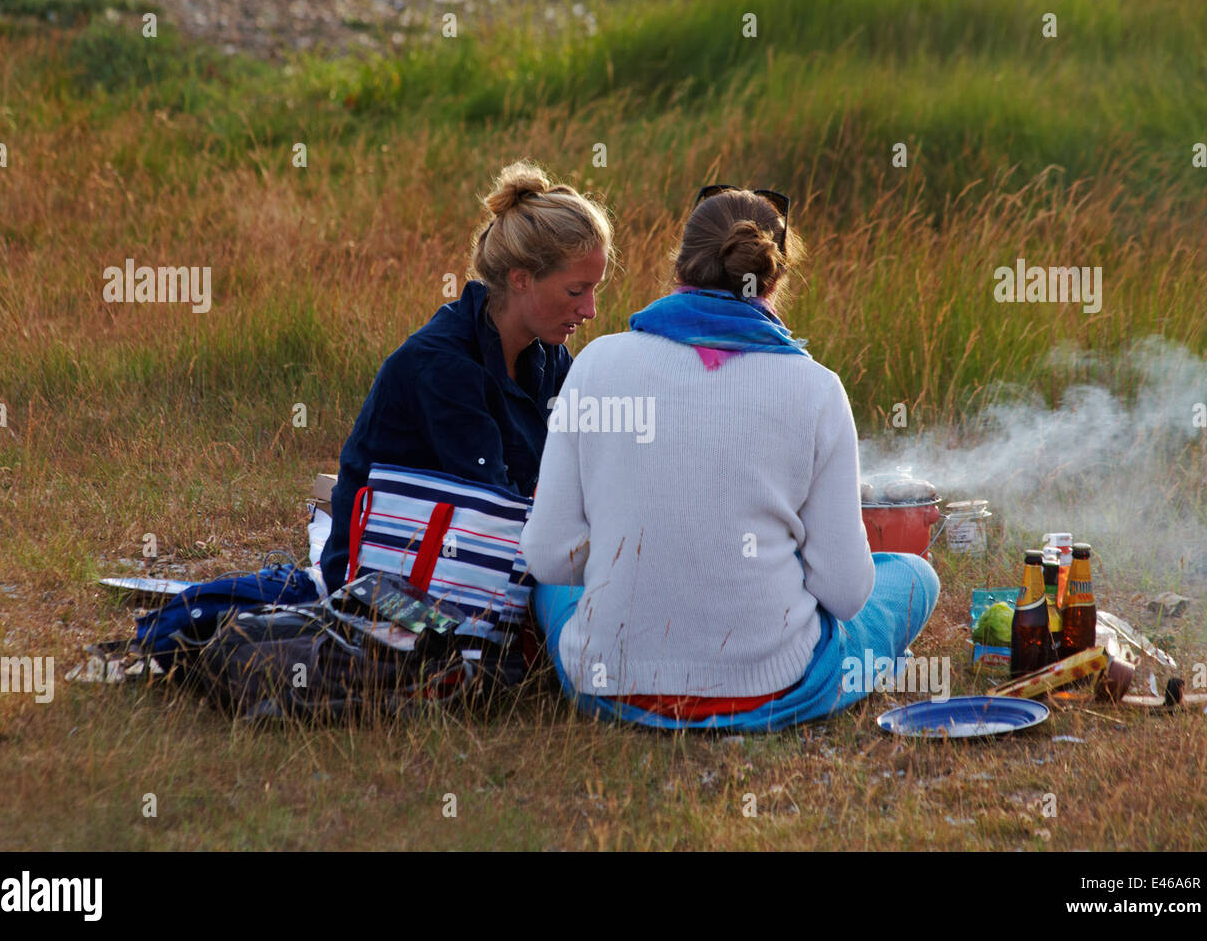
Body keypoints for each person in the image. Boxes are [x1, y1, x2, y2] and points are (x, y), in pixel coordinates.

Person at [520, 185, 939, 730]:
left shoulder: (597, 363)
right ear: (775, 280)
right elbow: (845, 591)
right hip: (773, 690)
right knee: (913, 577)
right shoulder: (818, 389)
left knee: (549, 588)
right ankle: (860, 670)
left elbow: (549, 556)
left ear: (678, 268)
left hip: (611, 690)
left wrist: (639, 550)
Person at [318, 161, 613, 595]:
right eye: (576, 291)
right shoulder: (441, 367)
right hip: (388, 576)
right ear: (521, 279)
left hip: (472, 557)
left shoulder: (549, 354)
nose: (590, 311)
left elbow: (580, 471)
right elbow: (503, 512)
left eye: (594, 290)